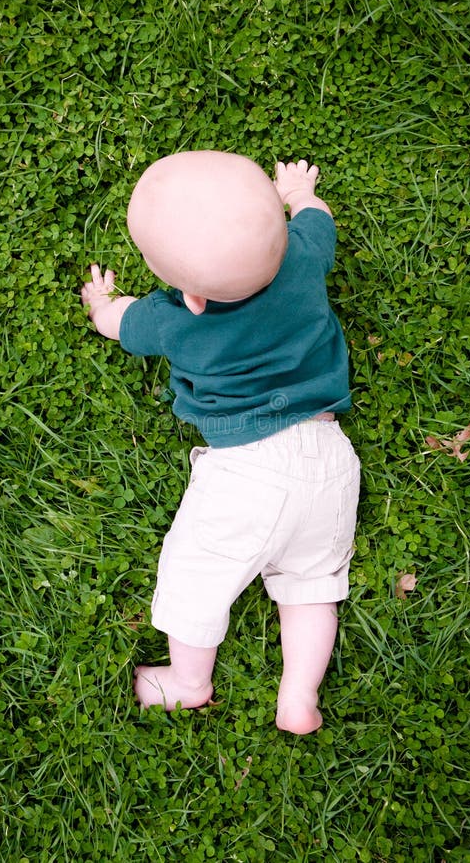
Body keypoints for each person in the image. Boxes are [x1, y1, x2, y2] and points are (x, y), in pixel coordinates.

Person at [81, 151, 360, 734]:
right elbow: (319, 217)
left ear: (193, 296)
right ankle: (299, 695)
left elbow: (121, 324)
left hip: (247, 471)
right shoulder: (304, 257)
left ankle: (188, 683)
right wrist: (299, 194)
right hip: (329, 455)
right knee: (310, 587)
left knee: (195, 576)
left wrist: (102, 305)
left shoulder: (174, 319)